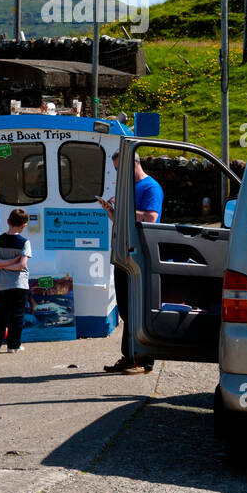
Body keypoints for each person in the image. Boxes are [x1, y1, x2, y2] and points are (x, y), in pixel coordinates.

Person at [98, 151, 163, 374]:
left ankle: (143, 359)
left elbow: (151, 217)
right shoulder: (126, 188)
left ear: (134, 164)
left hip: (139, 255)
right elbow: (121, 219)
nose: (117, 173)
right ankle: (130, 356)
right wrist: (112, 212)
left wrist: (125, 210)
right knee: (126, 309)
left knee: (138, 308)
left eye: (119, 169)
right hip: (123, 253)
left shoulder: (150, 187)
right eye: (115, 169)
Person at [0, 208, 32, 353]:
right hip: (19, 283)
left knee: (1, 315)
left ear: (8, 222)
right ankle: (13, 345)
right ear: (24, 225)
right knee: (17, 315)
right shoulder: (24, 242)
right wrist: (13, 260)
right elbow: (22, 265)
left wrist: (3, 263)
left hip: (2, 284)